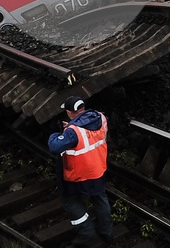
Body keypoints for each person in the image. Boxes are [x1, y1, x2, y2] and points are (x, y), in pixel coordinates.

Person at [49, 95, 113, 246]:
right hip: (98, 170)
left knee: (70, 202)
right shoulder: (100, 117)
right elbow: (89, 132)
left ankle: (86, 232)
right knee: (100, 199)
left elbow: (55, 147)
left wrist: (57, 134)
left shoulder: (73, 132)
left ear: (70, 112)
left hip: (80, 175)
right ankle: (107, 232)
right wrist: (71, 126)